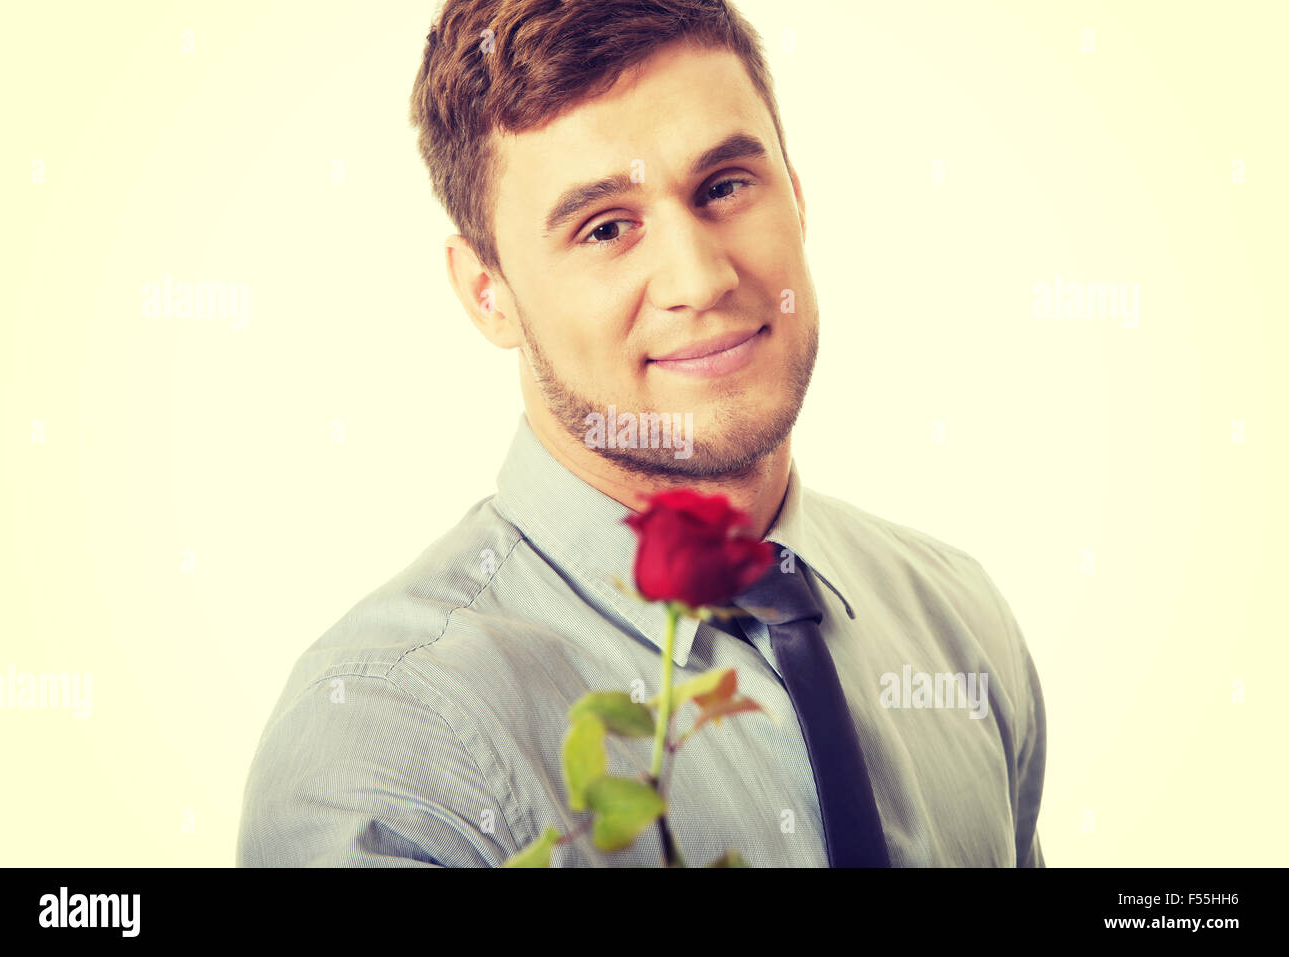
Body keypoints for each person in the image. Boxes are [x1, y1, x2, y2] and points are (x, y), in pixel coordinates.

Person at [237, 0, 1046, 867]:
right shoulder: (384, 740)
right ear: (487, 293)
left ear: (798, 193)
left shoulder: (958, 622)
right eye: (606, 228)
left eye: (726, 185)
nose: (699, 278)